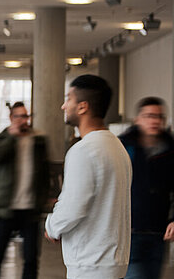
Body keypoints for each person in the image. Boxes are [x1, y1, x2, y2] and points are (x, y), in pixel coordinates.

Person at [45, 74, 131, 279]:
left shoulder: (84, 150)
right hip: (114, 261)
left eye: (68, 99)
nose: (63, 106)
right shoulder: (117, 147)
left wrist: (52, 226)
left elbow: (73, 206)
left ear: (83, 107)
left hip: (91, 263)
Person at [0, 102, 50, 279]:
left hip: (30, 209)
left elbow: (45, 173)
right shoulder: (4, 138)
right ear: (11, 118)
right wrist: (12, 137)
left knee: (30, 258)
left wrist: (43, 198)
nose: (23, 120)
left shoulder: (38, 140)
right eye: (18, 116)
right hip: (7, 207)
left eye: (25, 116)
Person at [119, 97, 174, 279]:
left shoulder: (170, 149)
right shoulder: (124, 146)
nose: (155, 121)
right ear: (138, 119)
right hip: (130, 232)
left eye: (159, 117)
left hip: (158, 233)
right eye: (149, 116)